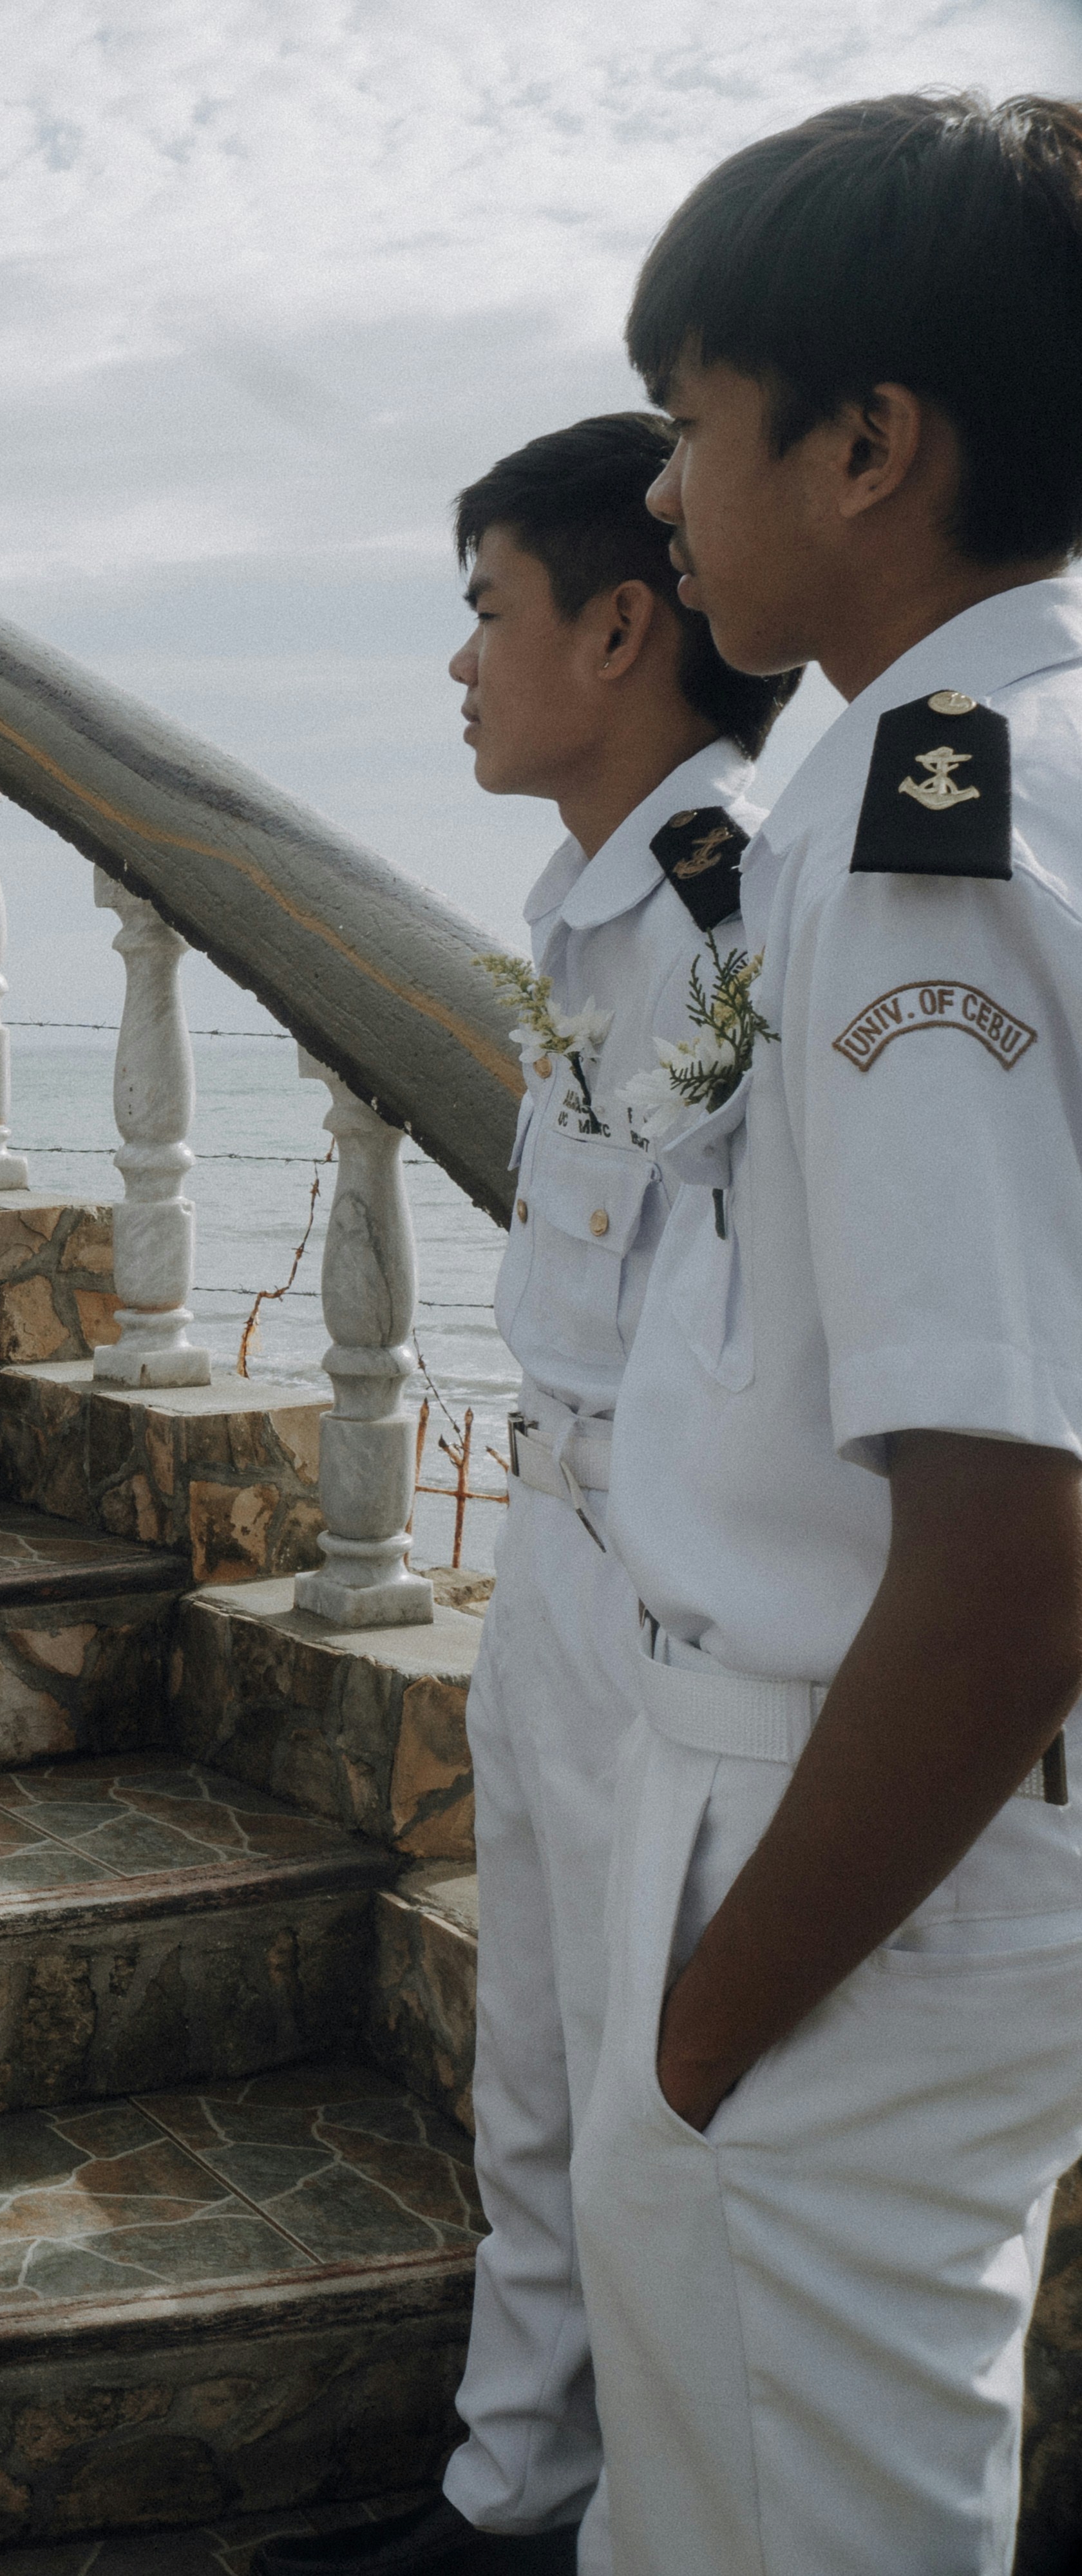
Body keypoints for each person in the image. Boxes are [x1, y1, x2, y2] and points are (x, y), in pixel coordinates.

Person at [562, 91, 1082, 2573]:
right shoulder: (1022, 752)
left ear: (871, 443)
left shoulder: (922, 841)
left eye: (690, 422)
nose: (663, 494)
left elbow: (1009, 1536)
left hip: (837, 1833)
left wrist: (708, 2021)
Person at [264, 422, 793, 2576]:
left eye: (489, 613)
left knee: (666, 2118)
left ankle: (641, 2522)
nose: (461, 667)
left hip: (689, 1608)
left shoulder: (731, 905)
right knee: (541, 2073)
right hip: (563, 1563)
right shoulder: (598, 906)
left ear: (621, 626)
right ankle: (512, 2500)